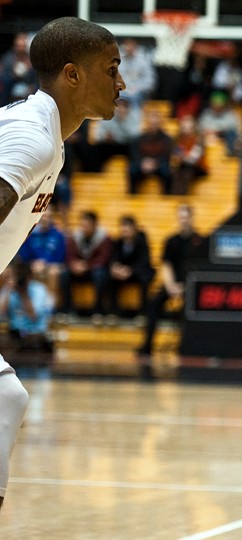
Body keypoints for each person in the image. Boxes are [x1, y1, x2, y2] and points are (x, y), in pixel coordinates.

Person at [0, 15, 125, 512]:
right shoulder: (33, 139)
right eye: (112, 68)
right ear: (73, 74)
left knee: (6, 399)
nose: (122, 82)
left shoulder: (47, 137)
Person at [137, 204, 203, 356]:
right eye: (181, 218)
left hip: (190, 285)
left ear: (192, 218)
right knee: (153, 305)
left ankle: (185, 346)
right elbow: (166, 265)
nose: (183, 221)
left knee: (189, 308)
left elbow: (199, 269)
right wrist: (171, 286)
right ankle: (147, 345)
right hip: (172, 283)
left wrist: (185, 287)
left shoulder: (199, 241)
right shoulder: (171, 241)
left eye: (186, 218)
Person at [61, 209, 113, 319]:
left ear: (94, 225)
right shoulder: (75, 236)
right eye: (82, 225)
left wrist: (87, 266)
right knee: (64, 274)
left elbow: (103, 259)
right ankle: (68, 308)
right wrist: (74, 264)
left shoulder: (104, 238)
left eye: (87, 225)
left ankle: (98, 309)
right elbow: (69, 255)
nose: (84, 228)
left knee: (100, 274)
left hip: (93, 270)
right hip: (79, 270)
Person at [0, 258, 55, 353]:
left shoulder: (39, 289)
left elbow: (34, 316)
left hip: (35, 333)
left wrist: (24, 294)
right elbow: (1, 315)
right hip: (15, 333)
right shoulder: (9, 289)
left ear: (29, 277)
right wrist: (8, 291)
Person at [107, 215, 153, 318]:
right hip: (123, 272)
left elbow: (144, 261)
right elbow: (113, 258)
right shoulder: (118, 242)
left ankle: (143, 312)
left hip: (137, 271)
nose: (124, 232)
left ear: (134, 229)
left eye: (127, 229)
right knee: (108, 277)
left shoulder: (141, 240)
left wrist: (130, 270)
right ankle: (113, 311)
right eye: (123, 229)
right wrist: (116, 268)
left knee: (145, 278)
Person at [16, 210, 67, 298]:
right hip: (33, 265)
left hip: (52, 265)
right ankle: (34, 302)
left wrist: (45, 263)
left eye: (48, 217)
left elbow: (60, 256)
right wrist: (32, 263)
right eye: (43, 216)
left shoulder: (58, 235)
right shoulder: (31, 234)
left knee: (53, 272)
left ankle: (50, 304)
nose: (45, 219)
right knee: (32, 270)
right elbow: (24, 254)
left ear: (52, 219)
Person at [128, 109, 174, 194]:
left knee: (167, 172)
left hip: (159, 164)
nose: (154, 125)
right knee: (132, 169)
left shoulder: (167, 139)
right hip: (142, 164)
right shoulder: (138, 139)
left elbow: (166, 155)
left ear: (160, 123)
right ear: (147, 123)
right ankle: (132, 195)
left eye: (156, 123)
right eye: (152, 123)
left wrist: (155, 163)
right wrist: (142, 162)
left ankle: (167, 195)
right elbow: (135, 154)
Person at [172, 115, 207, 195]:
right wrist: (180, 157)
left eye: (189, 128)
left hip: (198, 167)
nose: (186, 130)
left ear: (193, 128)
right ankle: (175, 197)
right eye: (184, 127)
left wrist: (183, 157)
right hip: (183, 165)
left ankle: (182, 197)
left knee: (186, 173)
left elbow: (194, 159)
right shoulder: (178, 139)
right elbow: (176, 153)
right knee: (175, 174)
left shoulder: (199, 140)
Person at [0, 33, 38, 106]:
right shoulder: (8, 57)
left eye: (22, 46)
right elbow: (4, 73)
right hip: (11, 83)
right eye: (18, 46)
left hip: (29, 83)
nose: (20, 48)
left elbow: (35, 76)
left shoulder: (31, 58)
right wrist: (13, 75)